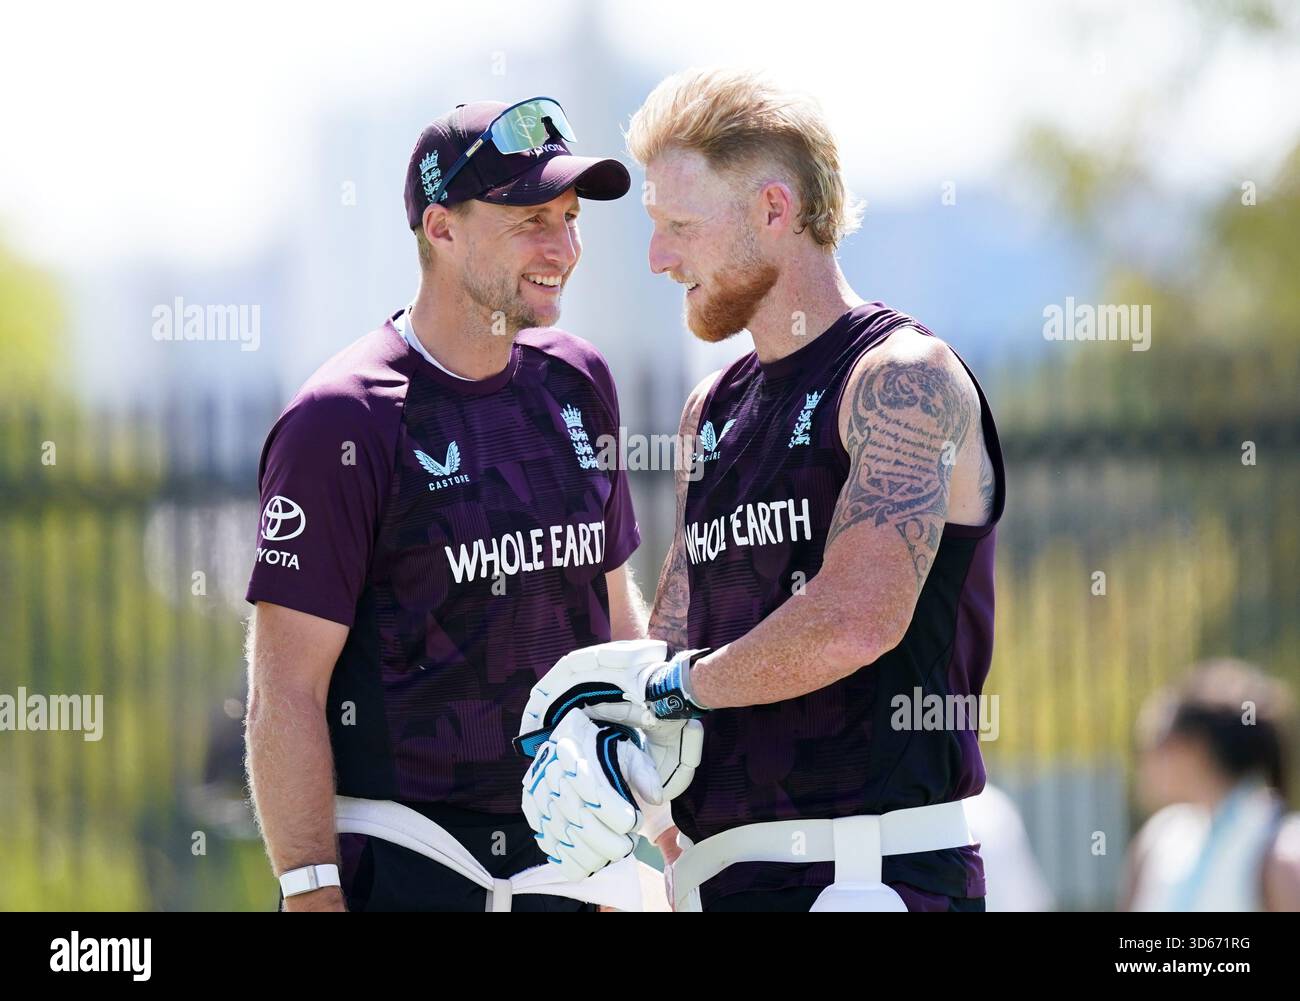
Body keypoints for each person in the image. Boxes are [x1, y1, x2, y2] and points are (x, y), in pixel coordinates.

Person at [517, 68, 1005, 912]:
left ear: (775, 211)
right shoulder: (712, 407)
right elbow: (676, 645)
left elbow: (855, 619)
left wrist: (670, 688)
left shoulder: (901, 377)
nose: (659, 258)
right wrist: (604, 743)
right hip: (715, 880)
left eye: (679, 226)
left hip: (871, 876)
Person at [243, 96, 651, 911]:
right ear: (441, 227)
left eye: (571, 219)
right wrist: (311, 890)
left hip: (569, 874)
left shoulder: (578, 381)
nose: (563, 248)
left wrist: (655, 833)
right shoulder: (343, 418)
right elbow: (283, 689)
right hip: (403, 869)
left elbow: (610, 613)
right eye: (532, 218)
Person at [1122, 658, 1300, 911]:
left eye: (1155, 743)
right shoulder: (1157, 842)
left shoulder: (1278, 851)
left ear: (1195, 749)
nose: (1143, 762)